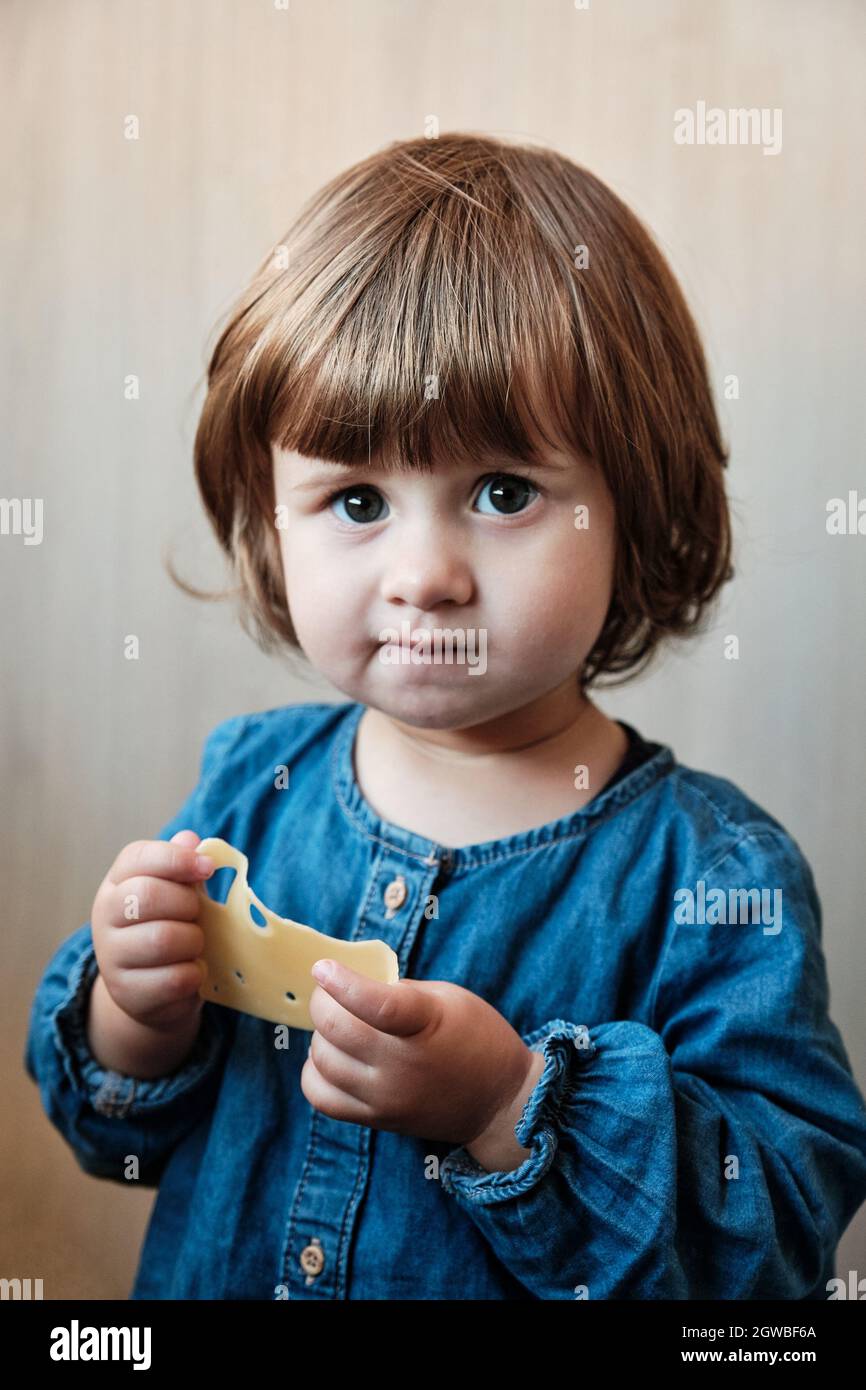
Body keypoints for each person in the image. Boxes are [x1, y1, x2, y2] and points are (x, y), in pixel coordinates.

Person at [25, 132, 866, 1299]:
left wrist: (508, 1108)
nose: (425, 573)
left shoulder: (713, 875)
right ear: (271, 521)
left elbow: (770, 1247)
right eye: (356, 499)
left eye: (503, 492)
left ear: (638, 504)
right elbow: (112, 1136)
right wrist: (133, 1015)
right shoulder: (244, 788)